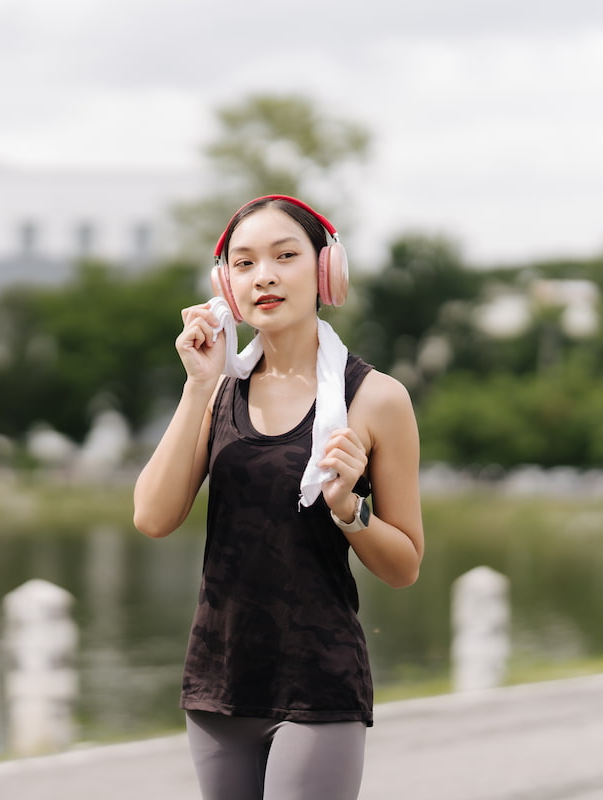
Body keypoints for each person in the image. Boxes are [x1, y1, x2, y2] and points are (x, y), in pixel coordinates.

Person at [132, 195, 424, 800]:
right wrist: (198, 386)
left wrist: (349, 510)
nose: (263, 275)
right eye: (243, 263)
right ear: (226, 285)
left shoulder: (376, 399)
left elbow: (405, 566)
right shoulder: (217, 393)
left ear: (325, 271)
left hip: (319, 685)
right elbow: (152, 517)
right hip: (219, 684)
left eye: (285, 256)